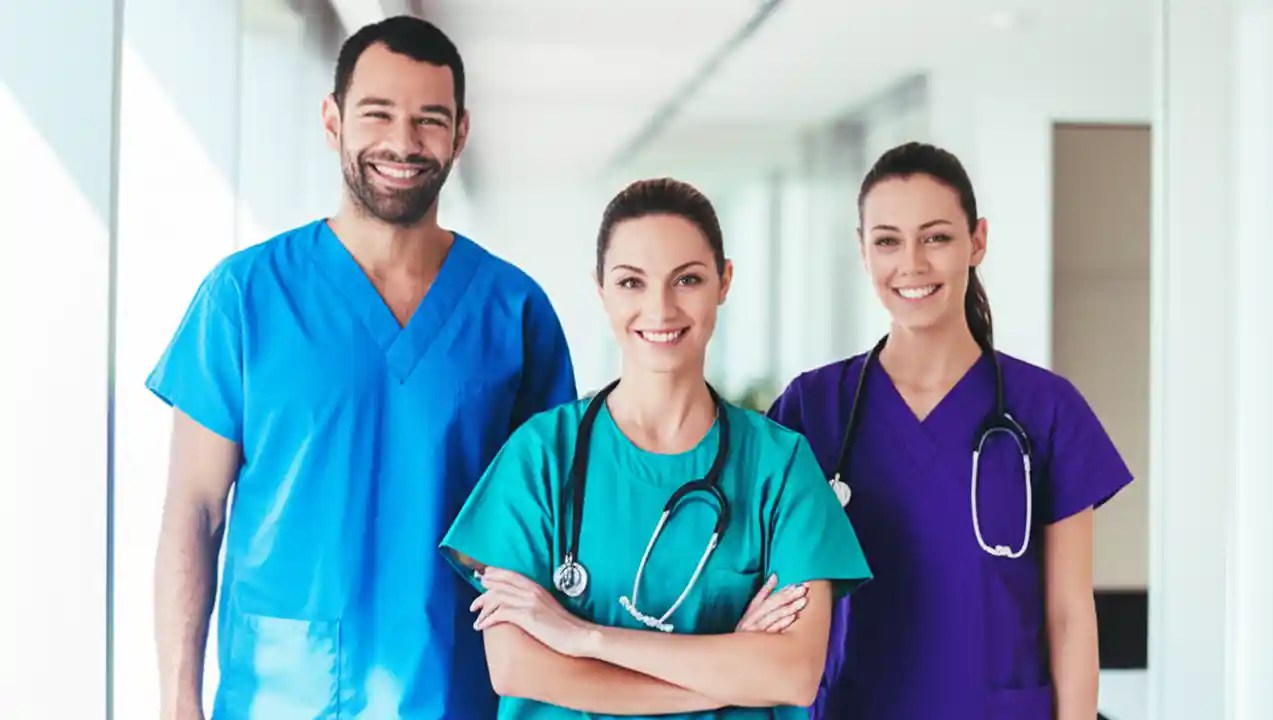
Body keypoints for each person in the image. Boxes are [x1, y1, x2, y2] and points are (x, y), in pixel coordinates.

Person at [148, 16, 576, 720]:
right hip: (275, 699)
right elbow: (193, 512)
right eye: (378, 114)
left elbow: (549, 532)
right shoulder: (245, 297)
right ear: (332, 119)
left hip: (459, 696)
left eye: (428, 120)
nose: (402, 143)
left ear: (460, 133)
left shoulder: (514, 311)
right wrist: (175, 705)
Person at [438, 178, 874, 718]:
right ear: (600, 290)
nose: (660, 308)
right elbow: (519, 667)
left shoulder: (779, 468)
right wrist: (723, 677)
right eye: (631, 283)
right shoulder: (541, 457)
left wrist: (583, 638)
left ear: (724, 281)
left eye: (687, 279)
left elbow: (792, 672)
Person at [767, 142, 1133, 720]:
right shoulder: (814, 409)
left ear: (977, 241)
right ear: (862, 251)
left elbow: (1069, 615)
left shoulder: (1046, 410)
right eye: (887, 240)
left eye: (935, 237)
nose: (911, 263)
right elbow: (770, 598)